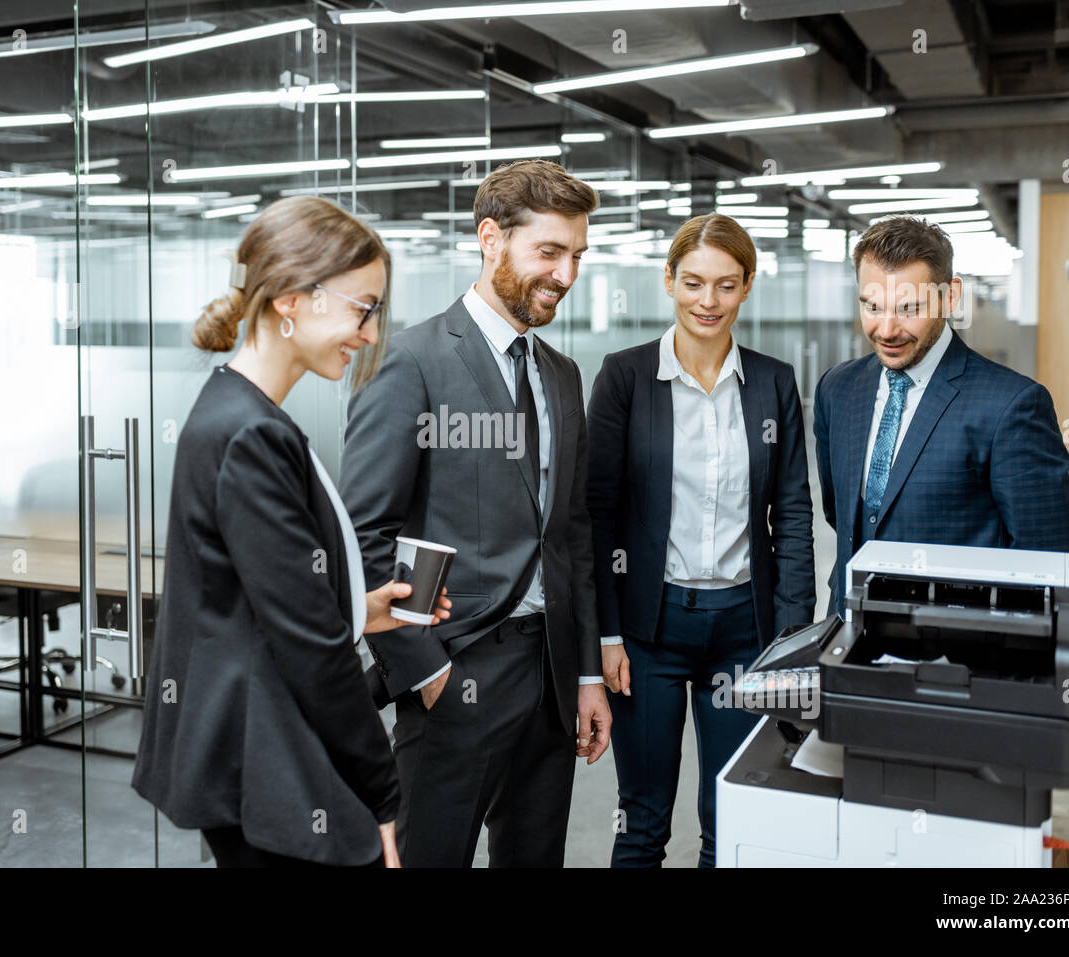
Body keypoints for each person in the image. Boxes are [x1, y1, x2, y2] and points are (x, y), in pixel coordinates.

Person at [131, 196, 449, 868]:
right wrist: (383, 794)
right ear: (292, 299)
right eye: (364, 306)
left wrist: (357, 611)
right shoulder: (250, 433)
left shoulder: (237, 412)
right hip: (261, 756)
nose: (369, 333)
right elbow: (308, 648)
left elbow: (253, 601)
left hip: (245, 744)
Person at [340, 159, 611, 868]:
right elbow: (369, 533)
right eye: (548, 252)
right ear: (491, 239)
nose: (565, 275)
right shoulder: (412, 362)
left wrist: (586, 675)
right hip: (454, 670)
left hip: (550, 675)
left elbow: (571, 534)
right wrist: (422, 669)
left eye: (577, 255)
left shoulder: (561, 374)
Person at [586, 213, 816, 868]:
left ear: (746, 287)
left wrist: (791, 643)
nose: (707, 301)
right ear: (668, 281)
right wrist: (604, 634)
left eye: (724, 285)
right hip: (647, 633)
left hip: (746, 630)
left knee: (733, 817)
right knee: (643, 820)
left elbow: (792, 513)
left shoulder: (772, 382)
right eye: (692, 282)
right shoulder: (625, 378)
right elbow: (597, 516)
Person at [815, 215, 1069, 618]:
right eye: (872, 305)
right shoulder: (838, 389)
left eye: (909, 308)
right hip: (847, 637)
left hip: (956, 656)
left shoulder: (1011, 405)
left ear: (950, 296)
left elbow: (1053, 567)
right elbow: (843, 516)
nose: (886, 329)